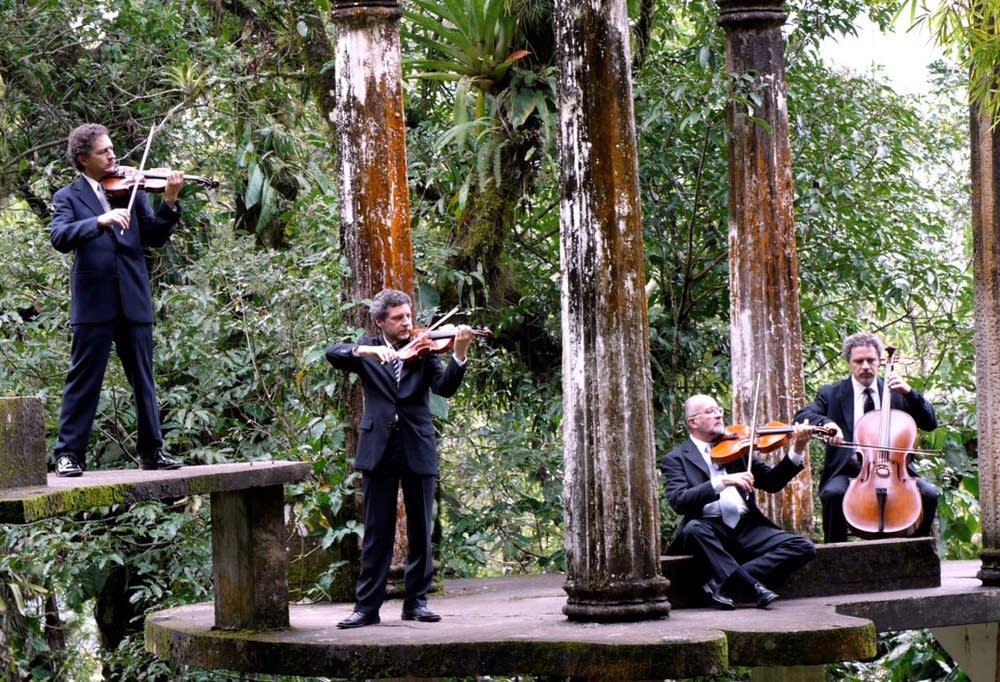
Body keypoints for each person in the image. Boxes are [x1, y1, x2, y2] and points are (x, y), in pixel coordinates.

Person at [326, 289, 473, 629]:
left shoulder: (424, 351)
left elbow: (444, 388)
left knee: (421, 529)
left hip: (416, 445)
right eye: (398, 318)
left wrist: (460, 353)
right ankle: (367, 608)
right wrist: (367, 350)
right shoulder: (367, 349)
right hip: (378, 447)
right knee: (378, 531)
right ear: (380, 322)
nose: (407, 323)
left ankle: (416, 603)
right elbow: (333, 353)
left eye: (409, 316)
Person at [49, 123, 184, 477]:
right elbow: (60, 237)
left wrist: (169, 201)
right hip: (94, 302)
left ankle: (153, 452)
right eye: (103, 152)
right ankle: (68, 455)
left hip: (134, 298)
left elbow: (153, 235)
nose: (112, 156)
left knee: (143, 377)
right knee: (84, 379)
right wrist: (100, 219)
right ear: (83, 158)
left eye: (112, 149)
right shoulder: (69, 197)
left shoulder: (133, 188)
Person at [661, 394, 816, 609]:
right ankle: (753, 587)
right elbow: (679, 501)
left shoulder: (737, 447)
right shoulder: (676, 458)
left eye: (718, 409)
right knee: (693, 528)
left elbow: (772, 482)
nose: (718, 414)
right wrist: (721, 482)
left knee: (803, 546)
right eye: (709, 411)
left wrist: (797, 449)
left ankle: (725, 583)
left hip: (746, 527)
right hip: (709, 529)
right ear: (692, 422)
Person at [794, 332, 939, 543]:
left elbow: (930, 423)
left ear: (880, 361)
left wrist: (911, 393)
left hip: (895, 472)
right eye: (858, 361)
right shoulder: (831, 393)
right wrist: (828, 424)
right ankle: (837, 560)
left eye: (871, 360)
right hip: (847, 471)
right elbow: (802, 415)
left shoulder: (897, 392)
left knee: (930, 495)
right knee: (832, 495)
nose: (865, 366)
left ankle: (917, 555)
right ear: (849, 363)